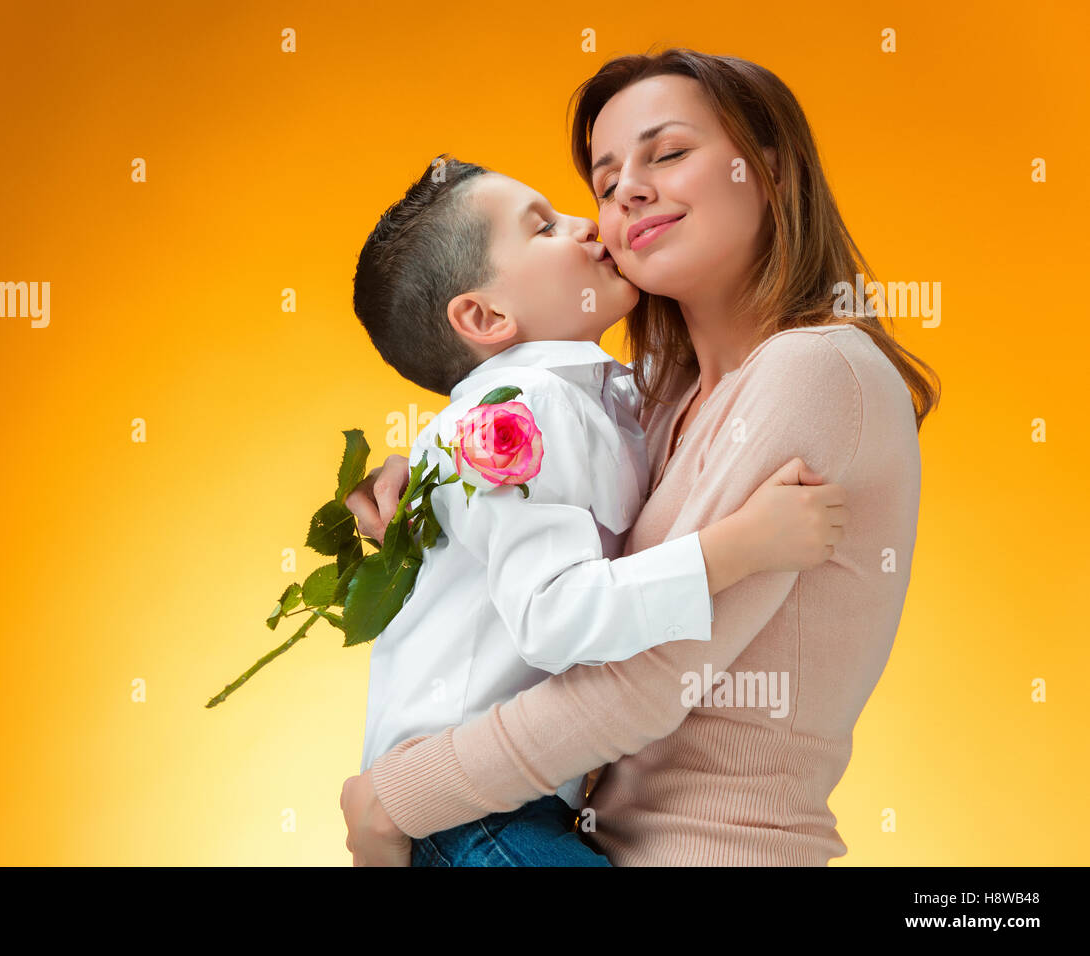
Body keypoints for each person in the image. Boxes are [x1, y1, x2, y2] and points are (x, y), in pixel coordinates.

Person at [341, 48, 940, 866]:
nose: (625, 192)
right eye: (605, 177)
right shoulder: (659, 405)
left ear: (768, 169)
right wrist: (437, 482)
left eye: (668, 154)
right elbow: (559, 486)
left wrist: (392, 799)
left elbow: (645, 680)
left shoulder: (814, 370)